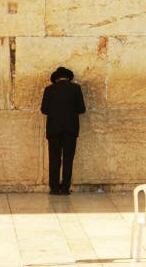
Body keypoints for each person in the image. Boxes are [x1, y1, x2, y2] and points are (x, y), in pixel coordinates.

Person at [41, 67, 86, 195]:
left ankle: (54, 188)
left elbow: (44, 110)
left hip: (53, 130)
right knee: (68, 159)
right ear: (68, 77)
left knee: (54, 159)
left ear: (56, 78)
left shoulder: (49, 90)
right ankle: (65, 188)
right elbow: (82, 109)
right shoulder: (76, 89)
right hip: (70, 130)